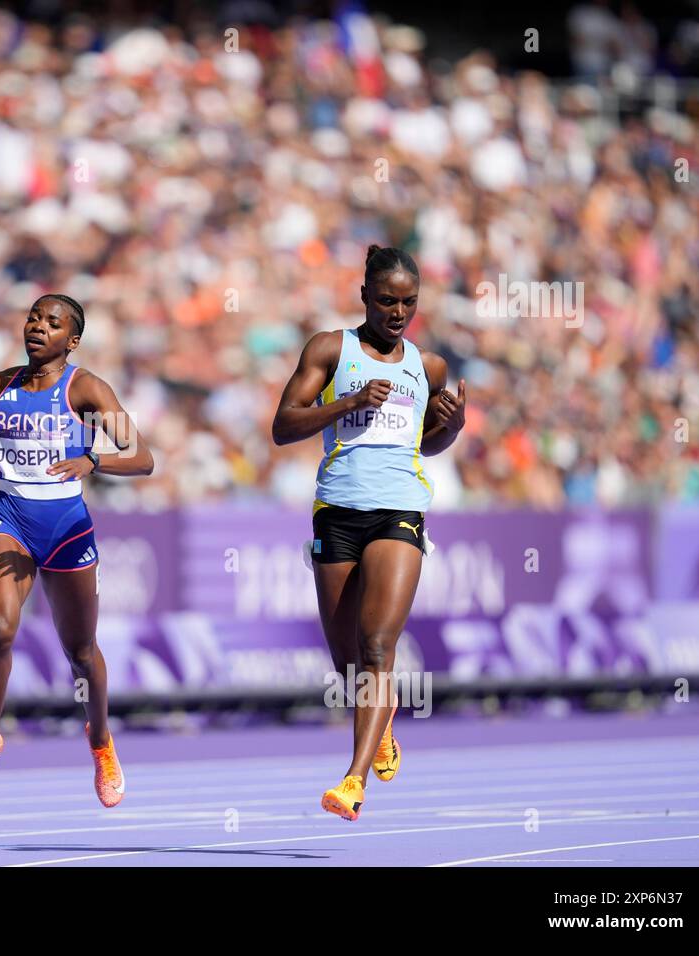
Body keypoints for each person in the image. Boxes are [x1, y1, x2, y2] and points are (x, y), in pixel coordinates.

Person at [0, 294, 154, 814]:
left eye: (52, 323)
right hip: (9, 519)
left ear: (71, 340)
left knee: (80, 652)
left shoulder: (86, 389)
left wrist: (93, 459)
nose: (38, 327)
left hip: (68, 530)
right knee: (0, 630)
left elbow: (143, 458)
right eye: (34, 317)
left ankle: (100, 740)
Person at [271, 246, 466, 821]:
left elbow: (425, 443)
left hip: (400, 510)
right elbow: (284, 425)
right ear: (364, 296)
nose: (398, 312)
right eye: (387, 301)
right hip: (337, 510)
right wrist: (349, 402)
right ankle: (379, 726)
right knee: (347, 661)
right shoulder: (332, 349)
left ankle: (352, 782)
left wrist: (450, 430)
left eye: (408, 302)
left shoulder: (427, 367)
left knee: (379, 645)